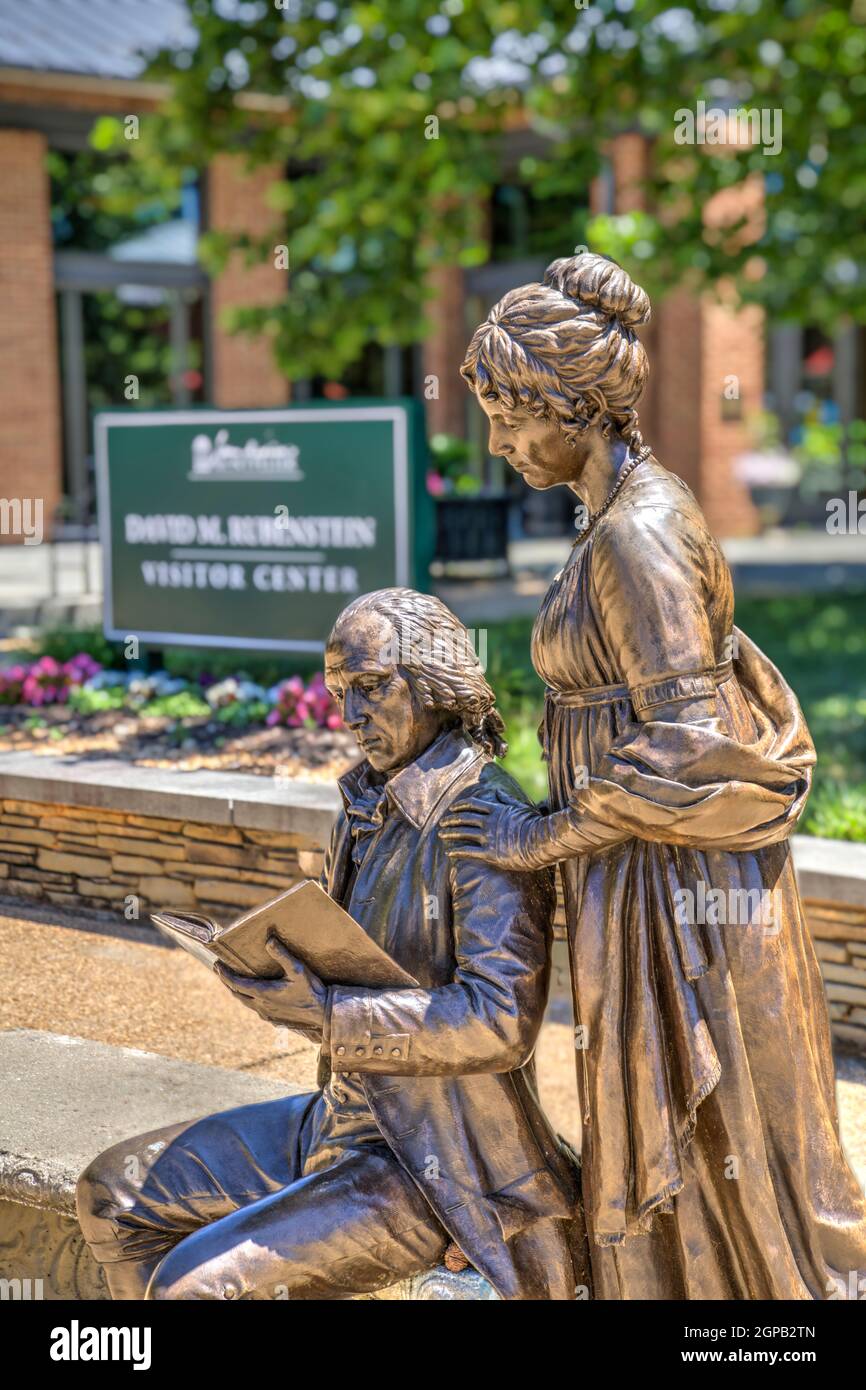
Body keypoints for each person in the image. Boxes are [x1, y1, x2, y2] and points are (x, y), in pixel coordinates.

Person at [440, 251, 866, 1300]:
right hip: (638, 873)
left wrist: (536, 839)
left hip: (680, 899)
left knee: (717, 1130)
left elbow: (683, 742)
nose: (495, 439)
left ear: (572, 405)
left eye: (508, 411)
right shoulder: (612, 512)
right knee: (687, 1131)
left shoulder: (636, 532)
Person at [76, 588, 584, 1301]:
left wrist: (330, 1015)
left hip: (430, 1161)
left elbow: (501, 1021)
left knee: (189, 1290)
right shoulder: (368, 803)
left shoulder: (484, 820)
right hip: (341, 1120)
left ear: (435, 684)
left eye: (372, 688)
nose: (350, 718)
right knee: (112, 1196)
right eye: (342, 693)